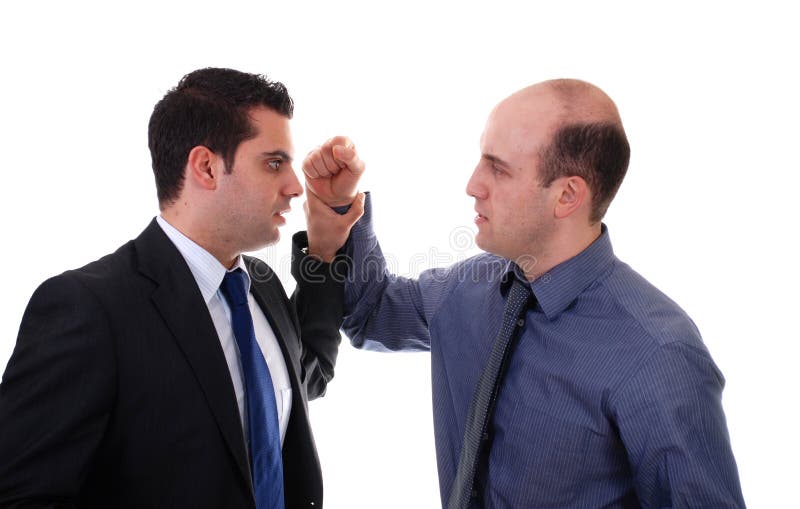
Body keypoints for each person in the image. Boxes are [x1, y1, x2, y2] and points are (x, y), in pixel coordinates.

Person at [301, 80, 746, 507]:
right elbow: (370, 312)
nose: (473, 184)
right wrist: (343, 205)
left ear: (568, 196)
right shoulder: (467, 289)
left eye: (498, 168)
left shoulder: (657, 353)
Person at [0, 67, 363, 509]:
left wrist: (325, 250)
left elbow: (305, 376)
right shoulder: (88, 308)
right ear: (206, 167)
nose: (294, 187)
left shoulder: (260, 286)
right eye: (273, 163)